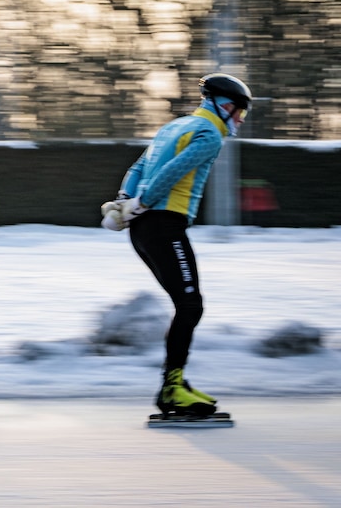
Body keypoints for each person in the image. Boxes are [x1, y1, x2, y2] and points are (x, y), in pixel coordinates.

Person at [100, 73, 253, 416]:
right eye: (240, 112)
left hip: (144, 227)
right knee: (190, 306)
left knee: (187, 305)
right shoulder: (209, 134)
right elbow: (173, 170)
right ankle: (172, 388)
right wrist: (143, 203)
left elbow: (139, 165)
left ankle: (174, 383)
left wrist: (123, 201)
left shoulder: (175, 127)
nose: (240, 120)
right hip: (162, 223)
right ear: (225, 106)